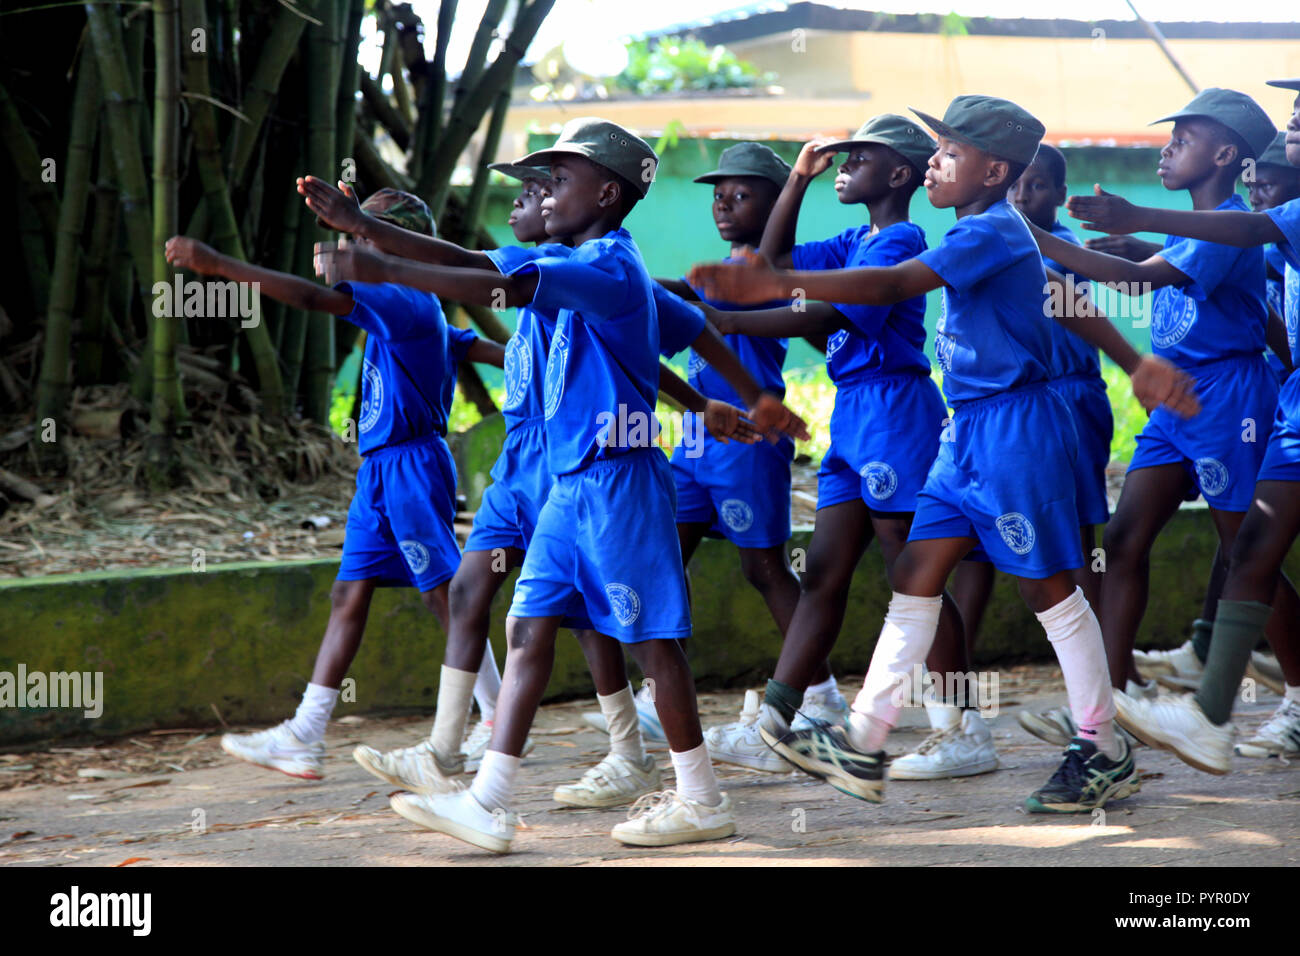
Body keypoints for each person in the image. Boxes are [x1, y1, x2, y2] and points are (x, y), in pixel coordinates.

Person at [689, 95, 1199, 813]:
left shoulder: (988, 230)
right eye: (936, 149)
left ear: (992, 171)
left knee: (1048, 587)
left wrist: (776, 284)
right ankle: (863, 738)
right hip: (968, 430)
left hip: (1018, 427)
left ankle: (1101, 746)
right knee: (916, 570)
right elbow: (1064, 294)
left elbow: (896, 284)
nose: (933, 162)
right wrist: (1133, 359)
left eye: (950, 153)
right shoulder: (996, 229)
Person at [315, 118, 806, 851]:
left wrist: (382, 263)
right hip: (571, 484)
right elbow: (474, 260)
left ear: (606, 194)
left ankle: (701, 798)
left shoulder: (610, 268)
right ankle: (488, 801)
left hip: (620, 482)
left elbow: (496, 283)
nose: (544, 192)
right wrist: (366, 229)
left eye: (560, 180)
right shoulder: (571, 260)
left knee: (651, 644)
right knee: (527, 626)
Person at [164, 188, 504, 780]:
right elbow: (475, 346)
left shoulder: (405, 301)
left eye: (362, 234)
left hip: (410, 469)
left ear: (395, 245)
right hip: (380, 471)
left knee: (444, 595)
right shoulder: (415, 307)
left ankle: (496, 717)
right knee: (350, 593)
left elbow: (310, 296)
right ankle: (305, 732)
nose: (349, 244)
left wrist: (217, 265)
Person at [1061, 77, 1300, 770]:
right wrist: (1127, 244)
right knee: (1127, 537)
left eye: (1183, 139)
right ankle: (1109, 704)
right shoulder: (1204, 224)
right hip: (1177, 399)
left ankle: (1286, 695)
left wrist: (1036, 239)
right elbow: (1162, 272)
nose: (1166, 150)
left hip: (1225, 399)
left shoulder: (1233, 221)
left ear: (1224, 155)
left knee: (1248, 550)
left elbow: (1152, 275)